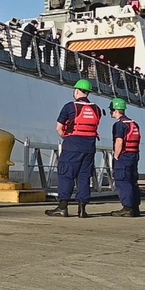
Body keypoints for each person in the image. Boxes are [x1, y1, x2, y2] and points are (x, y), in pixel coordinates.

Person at [46, 79, 101, 218]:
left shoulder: (70, 107)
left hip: (72, 146)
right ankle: (82, 209)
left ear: (76, 90)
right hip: (89, 147)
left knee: (66, 175)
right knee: (84, 177)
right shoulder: (96, 109)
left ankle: (62, 207)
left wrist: (67, 137)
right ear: (88, 92)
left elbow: (59, 128)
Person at [109, 98, 142, 217]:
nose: (111, 113)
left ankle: (127, 208)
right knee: (133, 181)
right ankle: (135, 207)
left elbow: (119, 141)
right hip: (134, 155)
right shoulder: (134, 123)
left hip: (124, 156)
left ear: (115, 110)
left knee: (123, 181)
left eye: (112, 110)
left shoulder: (119, 125)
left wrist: (116, 156)